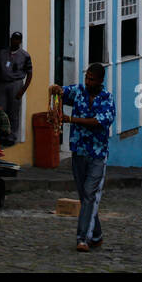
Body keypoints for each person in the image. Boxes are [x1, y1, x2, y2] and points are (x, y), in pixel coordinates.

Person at [56, 63, 116, 253]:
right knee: (84, 196)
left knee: (90, 193)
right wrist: (54, 90)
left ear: (100, 80)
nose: (88, 81)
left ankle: (83, 238)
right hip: (79, 151)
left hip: (98, 154)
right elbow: (62, 92)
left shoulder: (107, 99)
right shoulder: (79, 91)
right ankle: (97, 235)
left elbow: (98, 121)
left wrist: (70, 119)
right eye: (86, 77)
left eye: (92, 79)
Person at [0, 32, 33, 143]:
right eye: (13, 39)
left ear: (20, 41)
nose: (15, 41)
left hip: (16, 84)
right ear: (10, 39)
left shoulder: (25, 56)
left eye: (17, 39)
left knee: (14, 111)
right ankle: (2, 134)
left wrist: (23, 89)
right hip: (2, 83)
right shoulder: (2, 53)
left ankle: (12, 136)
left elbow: (30, 73)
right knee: (1, 110)